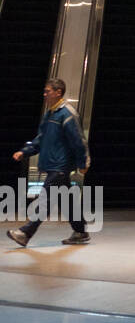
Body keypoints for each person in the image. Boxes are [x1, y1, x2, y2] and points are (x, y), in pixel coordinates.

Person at [7, 78, 89, 247]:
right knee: (65, 200)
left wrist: (83, 163)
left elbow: (78, 141)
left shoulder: (67, 113)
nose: (44, 95)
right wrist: (25, 151)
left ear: (58, 92)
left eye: (47, 91)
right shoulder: (50, 114)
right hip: (53, 164)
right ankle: (80, 232)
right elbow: (41, 139)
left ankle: (25, 233)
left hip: (61, 165)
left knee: (45, 200)